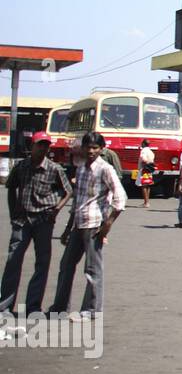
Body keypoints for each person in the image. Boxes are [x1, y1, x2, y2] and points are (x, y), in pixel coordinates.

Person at [50, 132, 127, 317]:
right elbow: (77, 201)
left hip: (94, 225)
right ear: (83, 148)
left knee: (92, 269)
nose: (91, 151)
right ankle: (60, 307)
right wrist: (68, 228)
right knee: (66, 265)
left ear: (101, 149)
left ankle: (92, 310)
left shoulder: (105, 169)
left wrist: (107, 225)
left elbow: (120, 199)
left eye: (95, 148)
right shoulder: (82, 168)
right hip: (78, 223)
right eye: (88, 147)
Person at [1, 133, 71, 316]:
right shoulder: (21, 167)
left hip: (43, 220)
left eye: (46, 146)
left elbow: (68, 192)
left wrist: (56, 210)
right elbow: (11, 188)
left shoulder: (54, 169)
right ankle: (5, 306)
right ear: (32, 146)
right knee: (13, 261)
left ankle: (33, 307)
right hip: (22, 220)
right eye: (40, 145)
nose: (43, 149)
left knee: (42, 262)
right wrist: (12, 211)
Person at [138, 139, 156, 208]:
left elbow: (144, 159)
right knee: (148, 185)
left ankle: (146, 203)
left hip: (144, 169)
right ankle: (147, 201)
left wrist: (144, 164)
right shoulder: (151, 151)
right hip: (149, 170)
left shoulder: (144, 150)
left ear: (143, 144)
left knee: (144, 185)